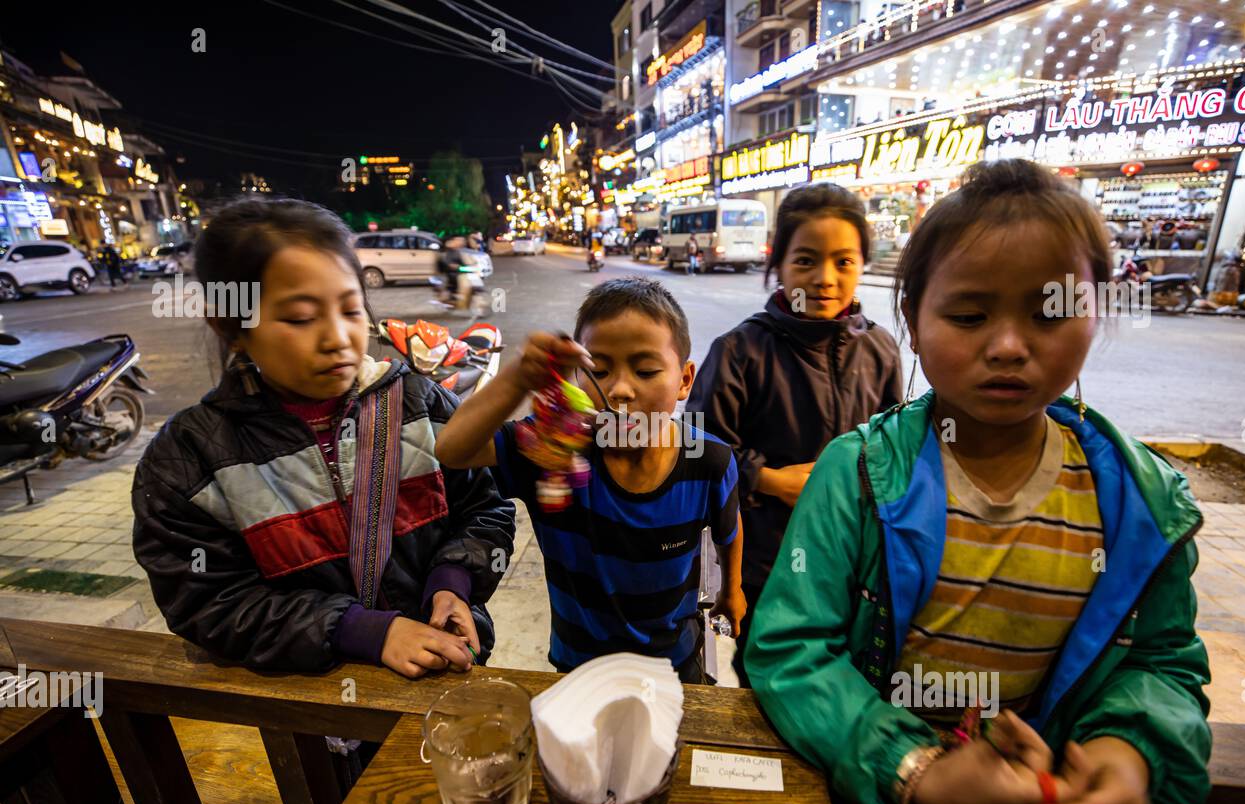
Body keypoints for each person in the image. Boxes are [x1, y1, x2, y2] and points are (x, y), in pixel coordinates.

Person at [744, 159, 1211, 804]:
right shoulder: (857, 475)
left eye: (1049, 311)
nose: (1008, 346)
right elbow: (788, 649)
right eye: (970, 315)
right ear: (914, 318)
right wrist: (912, 765)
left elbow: (1163, 663)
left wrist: (1128, 756)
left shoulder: (1139, 502)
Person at [132, 198, 515, 683]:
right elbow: (208, 604)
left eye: (351, 309)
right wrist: (360, 631)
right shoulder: (188, 461)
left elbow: (485, 509)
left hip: (443, 675)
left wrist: (453, 581)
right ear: (231, 327)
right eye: (299, 318)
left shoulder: (422, 405)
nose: (337, 338)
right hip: (307, 708)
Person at [436, 277, 744, 683]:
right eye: (598, 370)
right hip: (579, 668)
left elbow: (729, 529)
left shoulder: (709, 460)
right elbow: (452, 450)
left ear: (685, 379)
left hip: (674, 664)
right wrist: (519, 379)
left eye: (646, 370)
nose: (619, 390)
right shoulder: (553, 449)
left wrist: (732, 591)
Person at [686, 182, 902, 682]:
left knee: (847, 679)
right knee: (773, 679)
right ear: (778, 262)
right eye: (806, 260)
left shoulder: (882, 350)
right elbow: (697, 448)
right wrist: (768, 480)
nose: (825, 279)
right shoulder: (739, 351)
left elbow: (896, 444)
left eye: (843, 262)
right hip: (764, 565)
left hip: (854, 564)